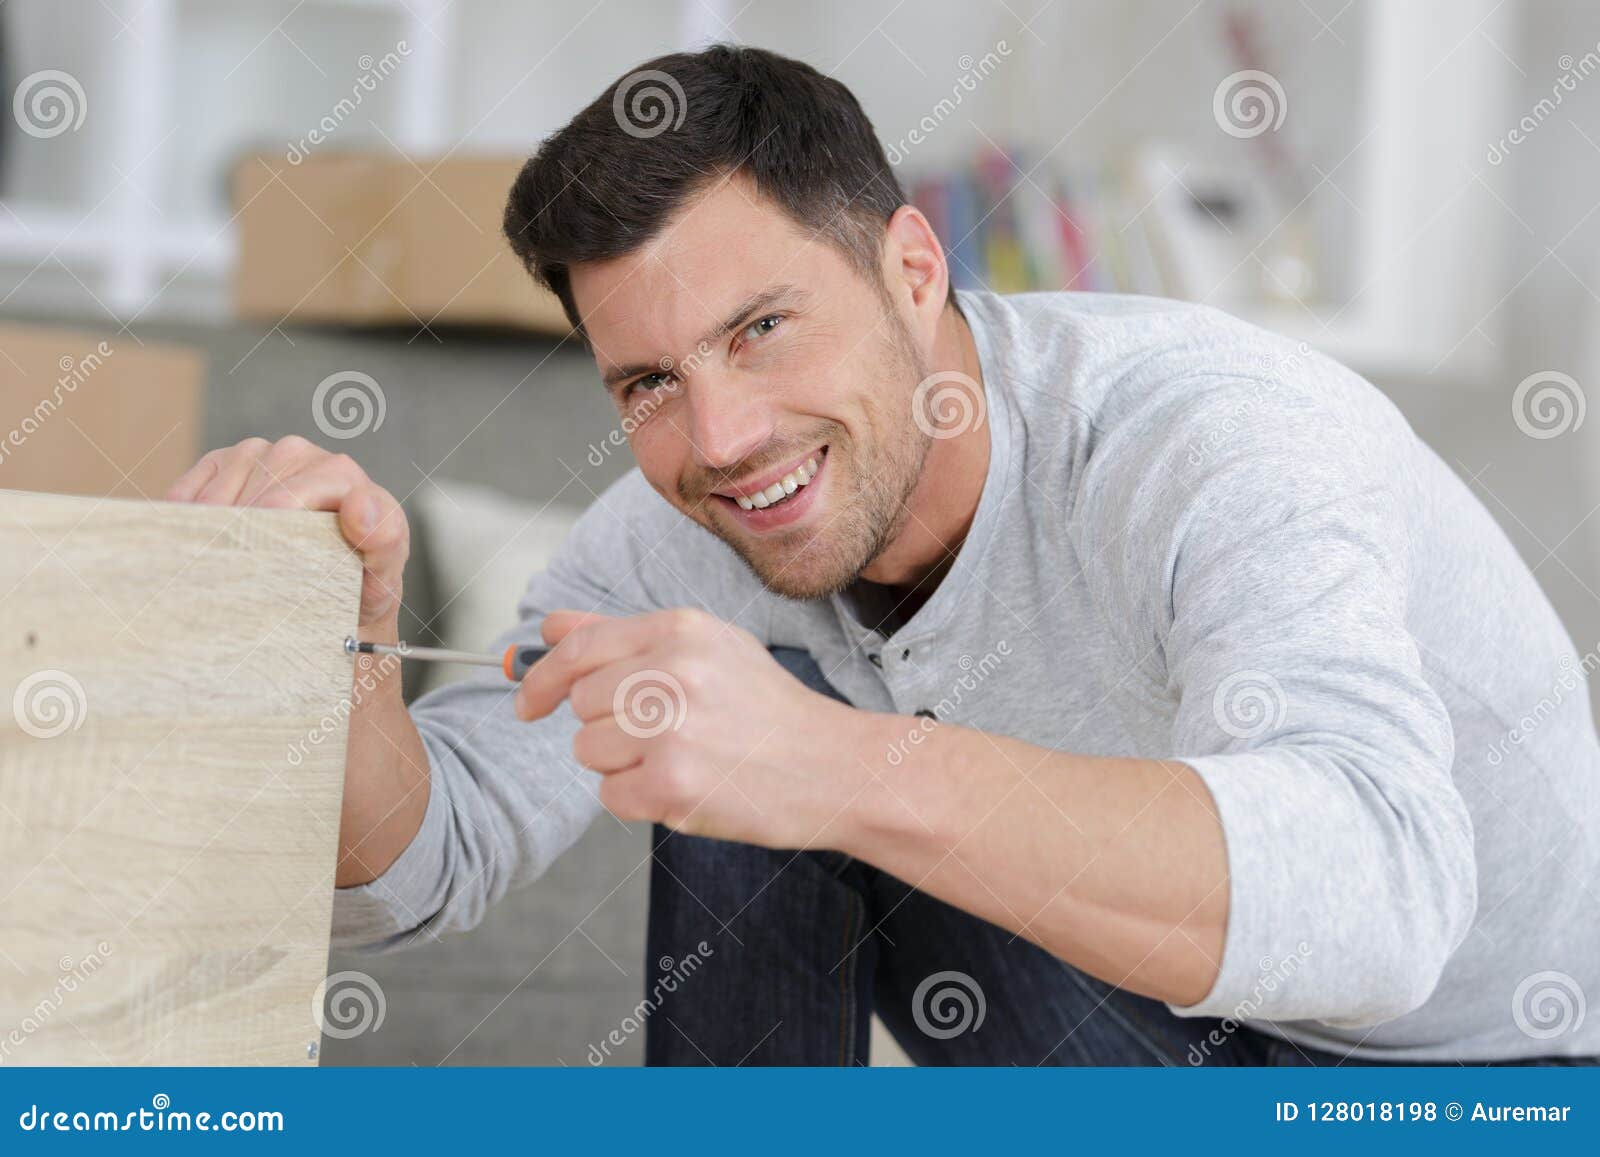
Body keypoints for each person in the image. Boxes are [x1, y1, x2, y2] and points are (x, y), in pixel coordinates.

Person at [167, 45, 1600, 1067]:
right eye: (649, 382)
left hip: (1483, 1074)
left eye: (762, 329)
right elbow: (423, 870)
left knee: (786, 726)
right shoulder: (679, 535)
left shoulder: (1211, 439)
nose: (722, 439)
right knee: (746, 703)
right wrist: (346, 664)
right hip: (1162, 1041)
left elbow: (1386, 900)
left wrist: (830, 761)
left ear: (913, 271)